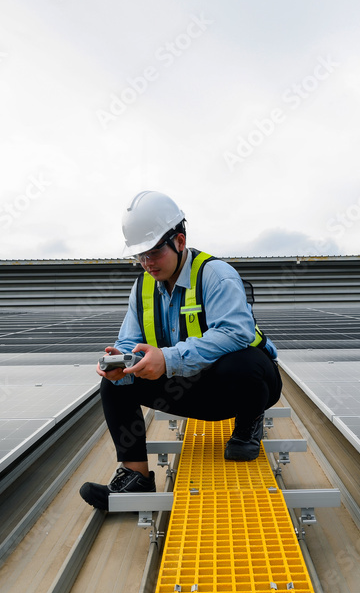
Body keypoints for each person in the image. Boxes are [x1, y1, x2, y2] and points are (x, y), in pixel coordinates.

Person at [79, 191, 282, 511]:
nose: (147, 262)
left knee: (244, 364)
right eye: (140, 255)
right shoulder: (142, 287)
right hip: (189, 389)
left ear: (180, 241)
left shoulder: (216, 275)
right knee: (116, 382)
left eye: (154, 252)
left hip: (240, 389)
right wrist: (120, 359)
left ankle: (248, 424)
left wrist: (168, 358)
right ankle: (135, 477)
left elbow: (235, 333)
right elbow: (130, 340)